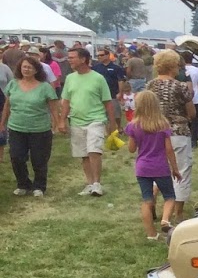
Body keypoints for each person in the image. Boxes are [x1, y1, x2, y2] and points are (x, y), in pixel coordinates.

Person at [60, 47, 119, 196]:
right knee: (84, 154)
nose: (69, 60)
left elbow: (108, 102)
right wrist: (62, 121)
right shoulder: (70, 78)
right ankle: (90, 183)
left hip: (96, 119)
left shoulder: (98, 78)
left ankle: (97, 183)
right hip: (76, 121)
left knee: (94, 150)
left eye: (72, 57)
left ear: (83, 59)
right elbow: (66, 101)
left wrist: (112, 124)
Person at [125, 90, 181, 240]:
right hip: (160, 166)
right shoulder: (162, 124)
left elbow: (131, 149)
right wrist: (175, 168)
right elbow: (169, 149)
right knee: (169, 196)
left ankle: (151, 234)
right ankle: (165, 220)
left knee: (147, 200)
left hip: (142, 168)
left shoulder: (133, 126)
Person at [149, 50, 196, 220]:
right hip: (178, 132)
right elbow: (191, 112)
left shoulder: (150, 86)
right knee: (181, 170)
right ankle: (178, 212)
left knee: (160, 168)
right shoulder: (180, 86)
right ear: (173, 66)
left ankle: (153, 195)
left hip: (155, 132)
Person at [4, 55, 61, 196]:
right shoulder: (13, 84)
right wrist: (2, 123)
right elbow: (7, 105)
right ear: (20, 68)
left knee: (39, 159)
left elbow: (53, 108)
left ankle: (39, 186)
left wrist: (58, 123)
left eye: (30, 67)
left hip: (39, 129)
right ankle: (23, 184)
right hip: (16, 127)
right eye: (24, 66)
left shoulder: (45, 87)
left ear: (36, 70)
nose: (26, 69)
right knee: (16, 157)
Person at [182, 51, 198, 140]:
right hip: (196, 99)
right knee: (196, 121)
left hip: (184, 99)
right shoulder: (197, 70)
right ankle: (194, 139)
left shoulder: (181, 70)